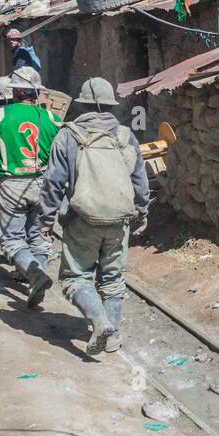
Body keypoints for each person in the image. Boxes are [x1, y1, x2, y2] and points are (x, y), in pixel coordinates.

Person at [39, 77, 149, 356]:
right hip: (119, 221)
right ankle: (112, 337)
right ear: (110, 105)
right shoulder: (125, 135)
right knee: (112, 279)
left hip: (81, 220)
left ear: (83, 103)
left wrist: (45, 219)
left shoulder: (69, 135)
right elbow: (140, 180)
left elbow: (54, 182)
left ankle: (100, 323)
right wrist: (142, 211)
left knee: (76, 279)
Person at [0, 66, 61, 306]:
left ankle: (36, 275)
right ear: (37, 93)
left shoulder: (0, 117)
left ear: (14, 92)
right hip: (45, 185)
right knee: (38, 237)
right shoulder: (52, 119)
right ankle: (39, 276)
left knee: (12, 239)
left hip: (11, 184)